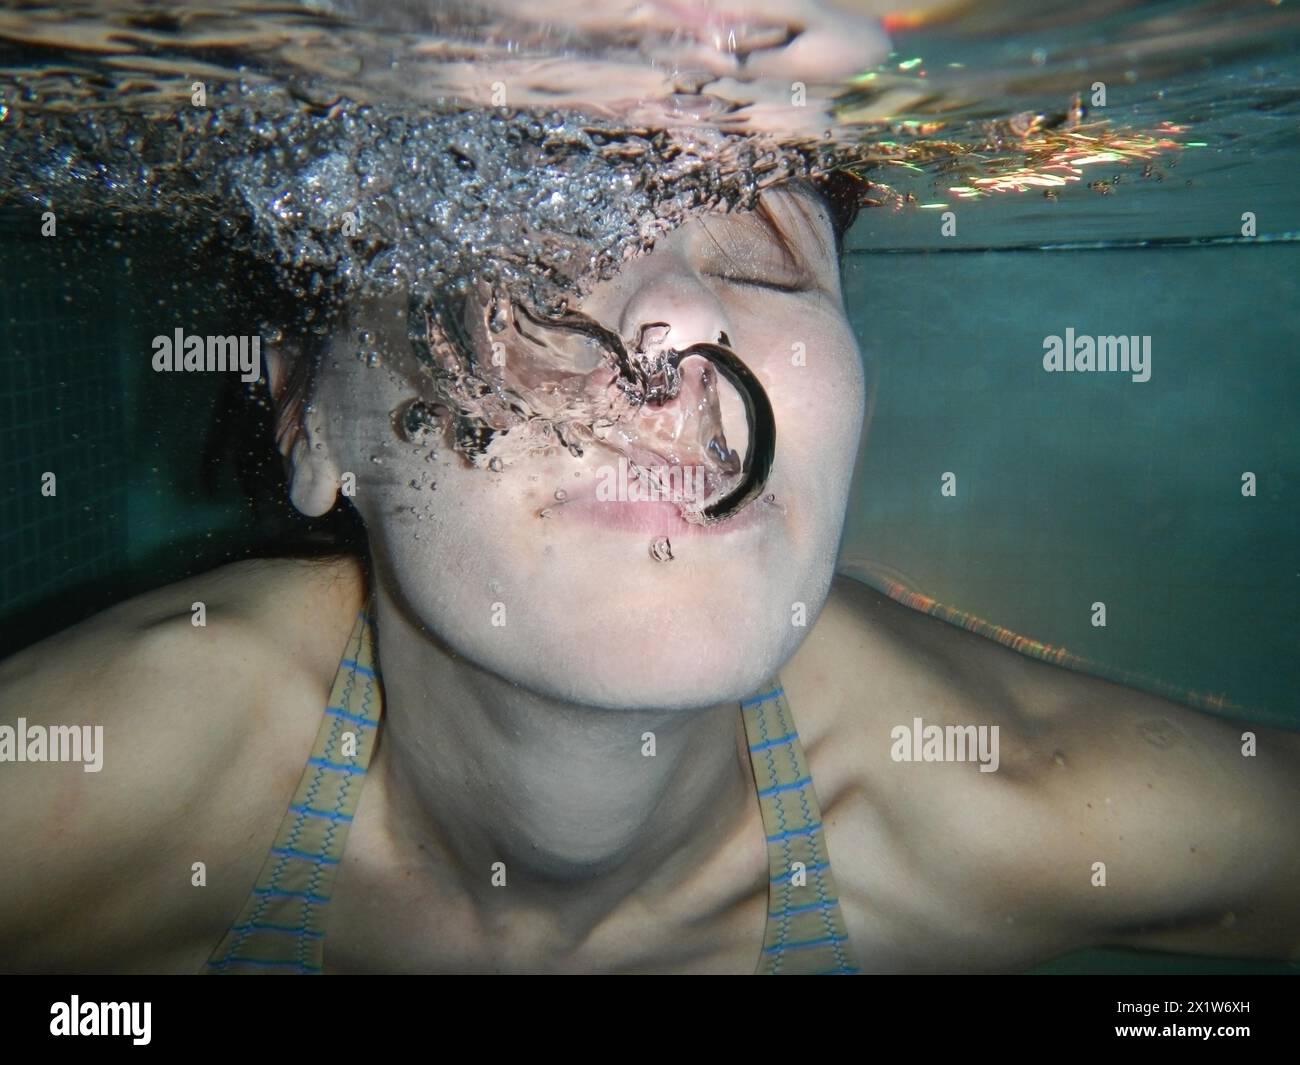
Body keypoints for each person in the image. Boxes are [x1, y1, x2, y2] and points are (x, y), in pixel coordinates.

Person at [1, 170, 1297, 975]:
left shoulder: (1040, 808)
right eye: (522, 255)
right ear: (307, 415)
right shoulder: (73, 802)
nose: (684, 323)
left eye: (760, 259)